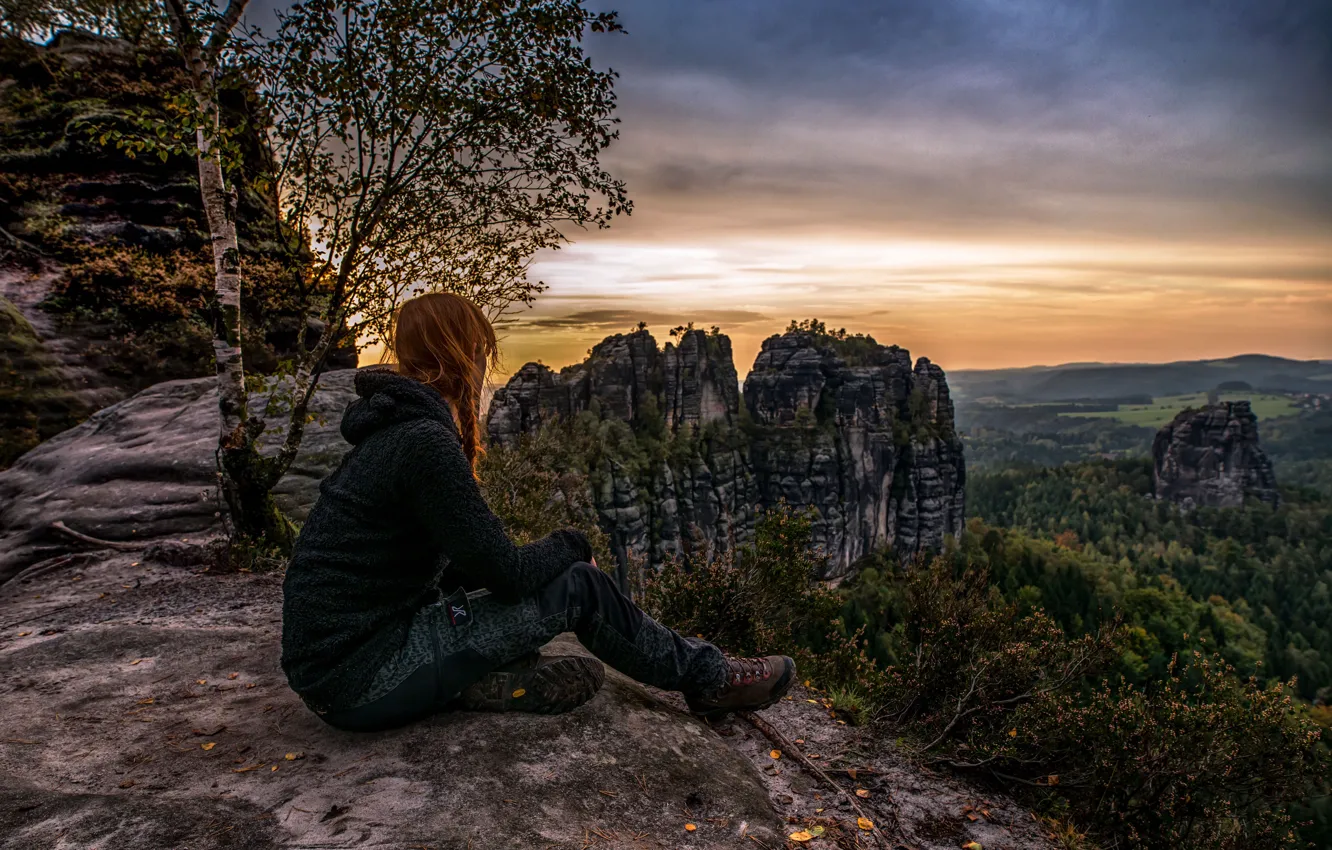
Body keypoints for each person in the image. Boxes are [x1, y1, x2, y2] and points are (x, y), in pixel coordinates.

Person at [281, 292, 795, 732]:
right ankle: (711, 680)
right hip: (364, 678)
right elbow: (504, 573)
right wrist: (573, 547)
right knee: (581, 586)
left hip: (339, 673)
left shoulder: (393, 432)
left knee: (515, 590)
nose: (485, 364)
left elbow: (456, 564)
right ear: (461, 354)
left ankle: (482, 680)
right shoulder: (422, 441)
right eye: (481, 350)